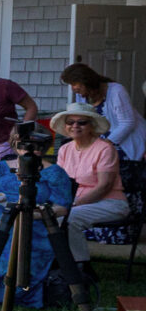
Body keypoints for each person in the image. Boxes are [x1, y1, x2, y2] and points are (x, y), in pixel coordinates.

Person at [0, 123, 76, 308]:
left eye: (35, 145)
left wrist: (25, 214)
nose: (28, 149)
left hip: (32, 224)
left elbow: (61, 208)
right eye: (22, 144)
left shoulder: (54, 173)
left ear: (44, 146)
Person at [54, 103, 131, 265]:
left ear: (92, 126)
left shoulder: (104, 148)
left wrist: (72, 205)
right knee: (44, 216)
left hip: (109, 202)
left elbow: (104, 187)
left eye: (81, 122)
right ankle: (53, 264)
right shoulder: (65, 149)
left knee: (69, 219)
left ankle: (81, 266)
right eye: (70, 122)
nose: (75, 126)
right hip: (74, 203)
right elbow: (59, 182)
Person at [61, 62, 145, 160]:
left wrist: (105, 144)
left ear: (86, 80)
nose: (73, 88)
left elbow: (127, 123)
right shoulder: (82, 95)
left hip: (126, 144)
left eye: (74, 83)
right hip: (101, 144)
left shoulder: (116, 91)